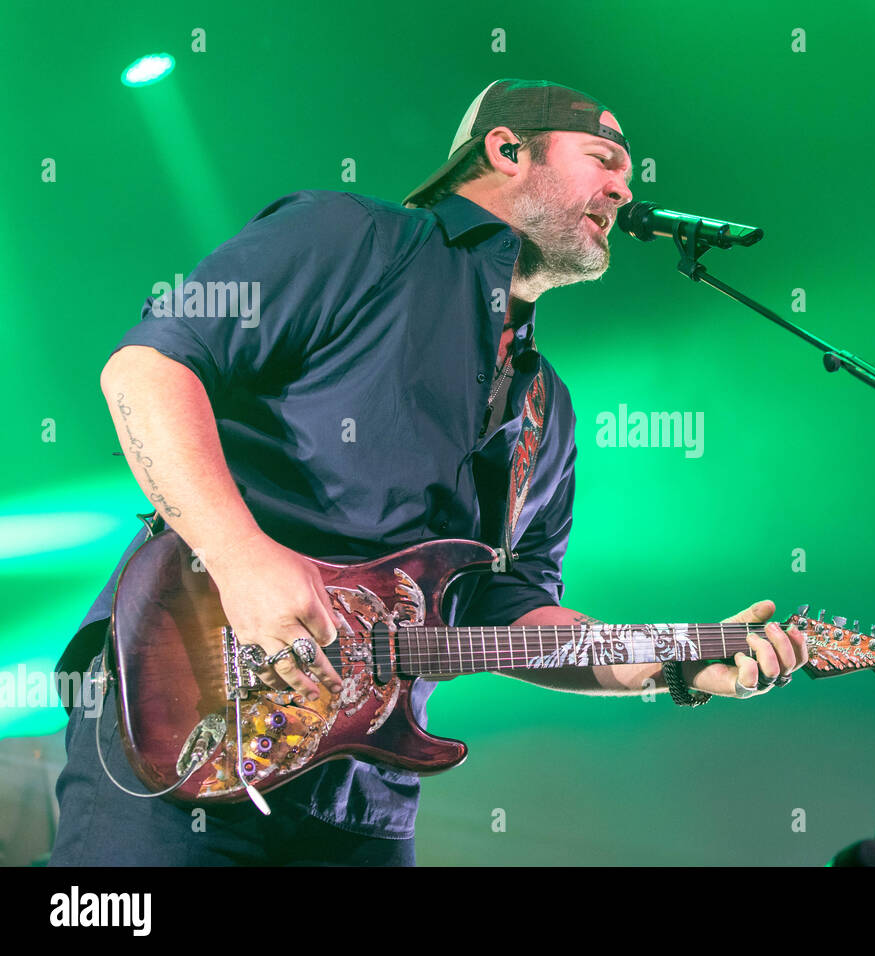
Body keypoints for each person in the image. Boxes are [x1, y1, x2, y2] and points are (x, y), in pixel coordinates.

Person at [49, 78, 808, 866]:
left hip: (364, 795)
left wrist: (676, 661)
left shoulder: (551, 409)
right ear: (507, 150)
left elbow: (515, 609)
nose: (623, 189)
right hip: (184, 713)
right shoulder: (353, 237)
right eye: (606, 160)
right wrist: (245, 560)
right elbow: (148, 371)